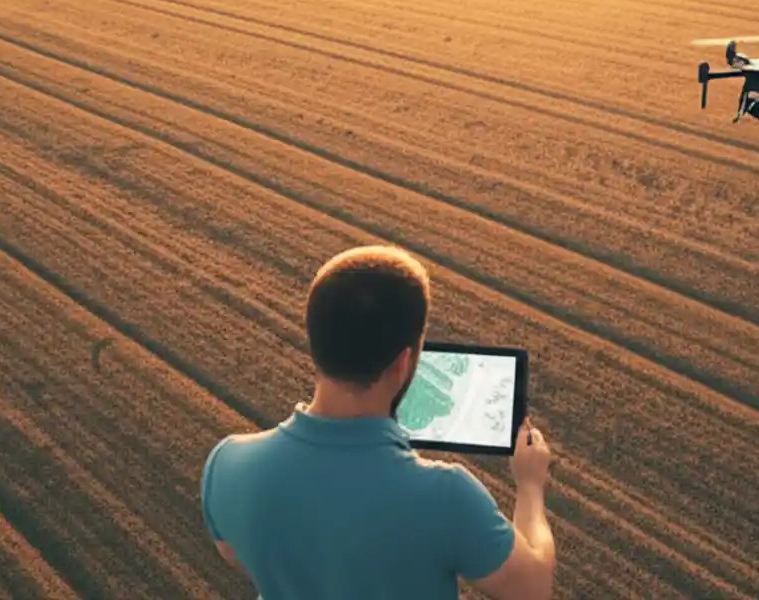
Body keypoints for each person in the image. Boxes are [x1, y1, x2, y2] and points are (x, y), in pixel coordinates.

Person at [200, 245, 557, 600]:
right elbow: (534, 589)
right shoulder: (446, 496)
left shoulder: (228, 463)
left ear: (315, 342)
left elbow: (237, 556)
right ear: (403, 363)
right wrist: (529, 484)